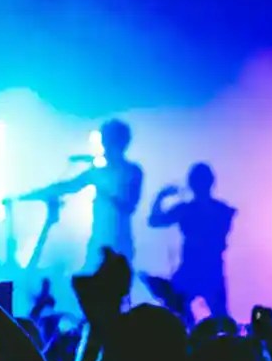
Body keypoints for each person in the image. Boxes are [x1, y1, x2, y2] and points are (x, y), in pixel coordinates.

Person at [19, 119, 144, 271]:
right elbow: (67, 186)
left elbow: (129, 207)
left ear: (121, 143)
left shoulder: (132, 171)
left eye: (109, 141)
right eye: (104, 141)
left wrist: (104, 190)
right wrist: (29, 196)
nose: (105, 146)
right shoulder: (98, 172)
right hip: (98, 242)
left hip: (120, 245)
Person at [147, 163, 236, 319]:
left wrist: (161, 196)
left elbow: (155, 220)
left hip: (199, 268)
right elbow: (154, 221)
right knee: (218, 318)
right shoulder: (220, 209)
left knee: (179, 312)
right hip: (204, 268)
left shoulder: (189, 209)